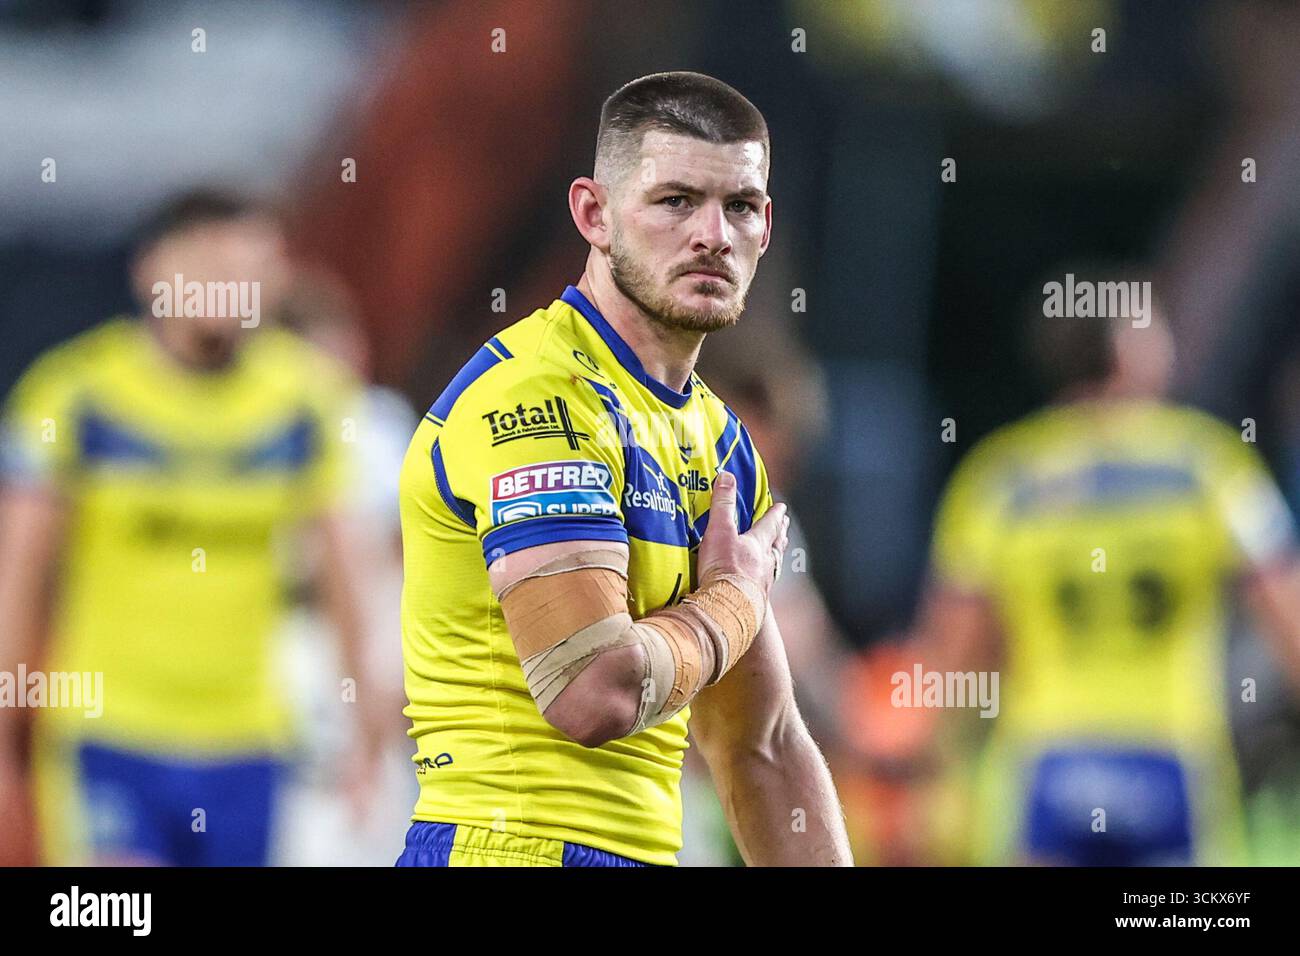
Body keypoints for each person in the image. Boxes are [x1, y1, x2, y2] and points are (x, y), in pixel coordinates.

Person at [397, 71, 852, 867]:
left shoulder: (720, 441)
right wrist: (734, 601)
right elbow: (591, 690)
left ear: (766, 225)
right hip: (509, 849)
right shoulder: (539, 401)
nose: (712, 233)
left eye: (738, 205)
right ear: (593, 214)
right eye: (675, 200)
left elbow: (763, 747)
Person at [0, 190, 384, 866]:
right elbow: (19, 575)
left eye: (249, 272)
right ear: (151, 271)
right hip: (108, 734)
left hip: (249, 741)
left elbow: (345, 574)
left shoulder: (306, 403)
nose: (228, 292)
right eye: (209, 270)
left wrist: (367, 729)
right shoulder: (76, 394)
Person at [910, 266, 1300, 865]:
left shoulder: (1001, 479)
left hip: (1046, 763)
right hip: (1173, 762)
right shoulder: (1208, 468)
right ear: (1128, 347)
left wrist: (934, 772)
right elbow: (1287, 616)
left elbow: (954, 651)